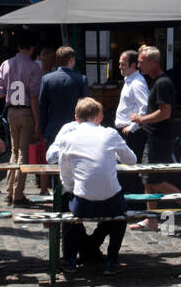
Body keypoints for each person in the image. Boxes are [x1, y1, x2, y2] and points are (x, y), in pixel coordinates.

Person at [48, 97, 137, 275]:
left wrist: (76, 189)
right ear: (97, 116)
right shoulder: (110, 134)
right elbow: (132, 159)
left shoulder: (68, 138)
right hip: (111, 203)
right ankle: (111, 261)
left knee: (67, 208)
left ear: (76, 117)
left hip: (83, 205)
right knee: (121, 214)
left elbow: (64, 175)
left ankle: (71, 259)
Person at [127, 46, 181, 232]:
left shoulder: (162, 83)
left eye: (140, 61)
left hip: (161, 138)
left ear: (153, 62)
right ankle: (151, 219)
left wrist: (141, 119)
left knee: (154, 179)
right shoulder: (157, 82)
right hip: (156, 137)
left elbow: (165, 113)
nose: (138, 65)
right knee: (148, 179)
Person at [0, 31, 43, 202]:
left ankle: (9, 189)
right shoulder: (33, 67)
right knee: (23, 152)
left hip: (11, 111)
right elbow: (33, 96)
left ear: (17, 47)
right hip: (26, 111)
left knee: (14, 151)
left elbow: (0, 93)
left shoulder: (5, 64)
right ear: (32, 48)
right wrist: (37, 121)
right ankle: (18, 193)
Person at [39, 46, 89, 144]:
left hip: (53, 128)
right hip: (75, 128)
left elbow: (42, 107)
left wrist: (42, 129)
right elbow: (86, 107)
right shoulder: (81, 79)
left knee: (53, 158)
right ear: (71, 60)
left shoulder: (47, 79)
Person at [114, 48, 149, 160]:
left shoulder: (137, 83)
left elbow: (145, 107)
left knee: (130, 170)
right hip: (126, 132)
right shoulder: (130, 80)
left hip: (132, 133)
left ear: (133, 65)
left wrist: (132, 127)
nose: (120, 67)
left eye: (123, 64)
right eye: (120, 64)